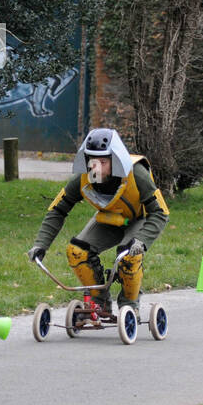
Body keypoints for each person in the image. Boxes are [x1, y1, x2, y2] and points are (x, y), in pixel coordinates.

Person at [27, 128, 170, 315]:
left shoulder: (137, 173)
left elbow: (160, 212)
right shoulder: (83, 178)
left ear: (115, 160)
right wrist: (41, 245)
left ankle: (130, 305)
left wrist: (142, 241)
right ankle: (98, 301)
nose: (97, 168)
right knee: (77, 251)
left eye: (103, 162)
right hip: (108, 218)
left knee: (129, 256)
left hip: (138, 219)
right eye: (93, 162)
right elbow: (57, 210)